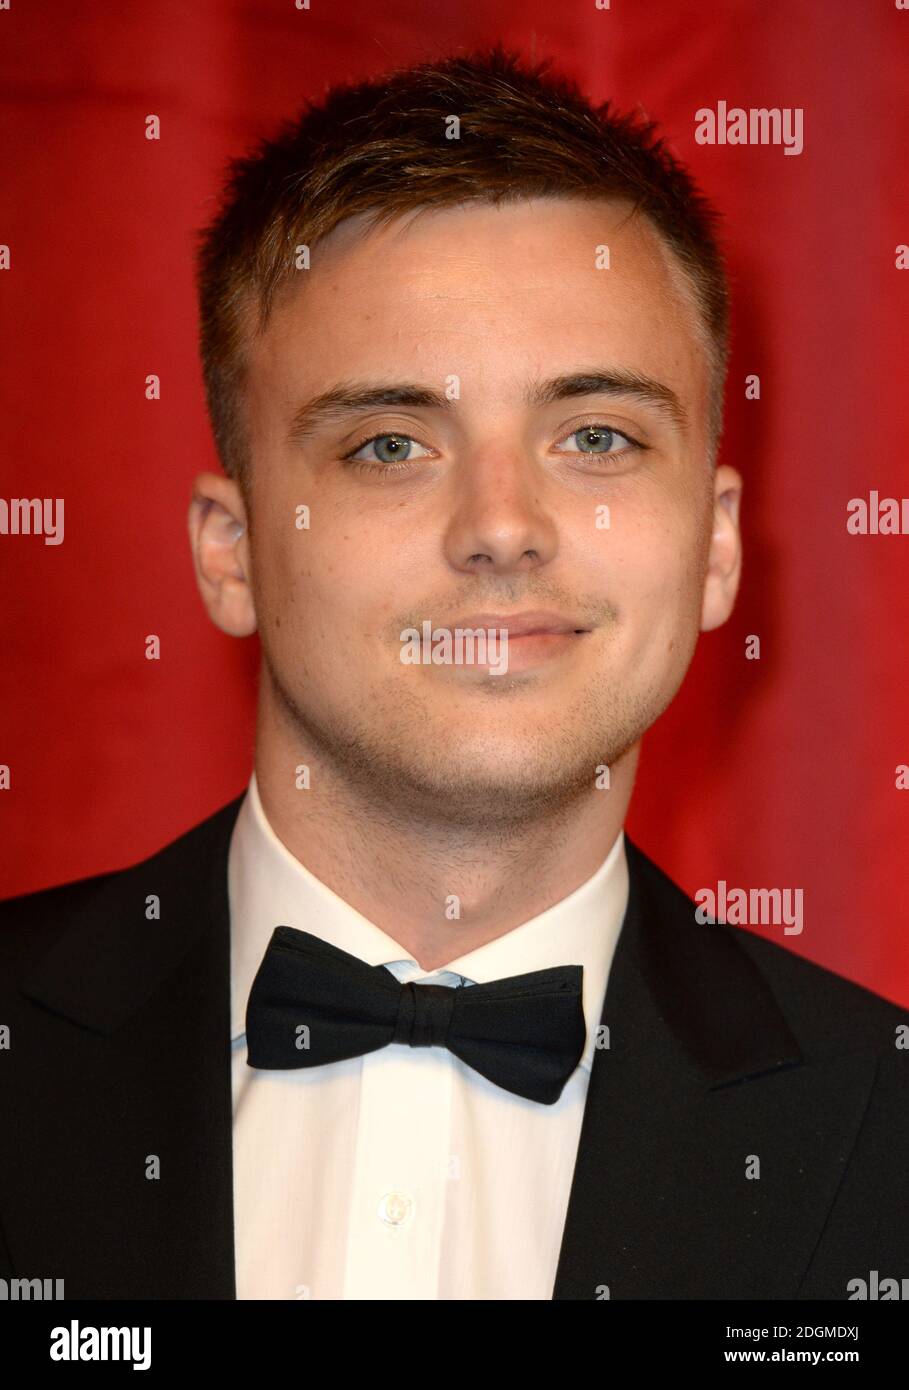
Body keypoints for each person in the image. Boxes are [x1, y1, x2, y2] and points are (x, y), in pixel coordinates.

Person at [2, 45, 907, 1302]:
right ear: (232, 553)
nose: (500, 523)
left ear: (714, 546)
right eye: (389, 443)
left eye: (597, 436)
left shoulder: (886, 1131)